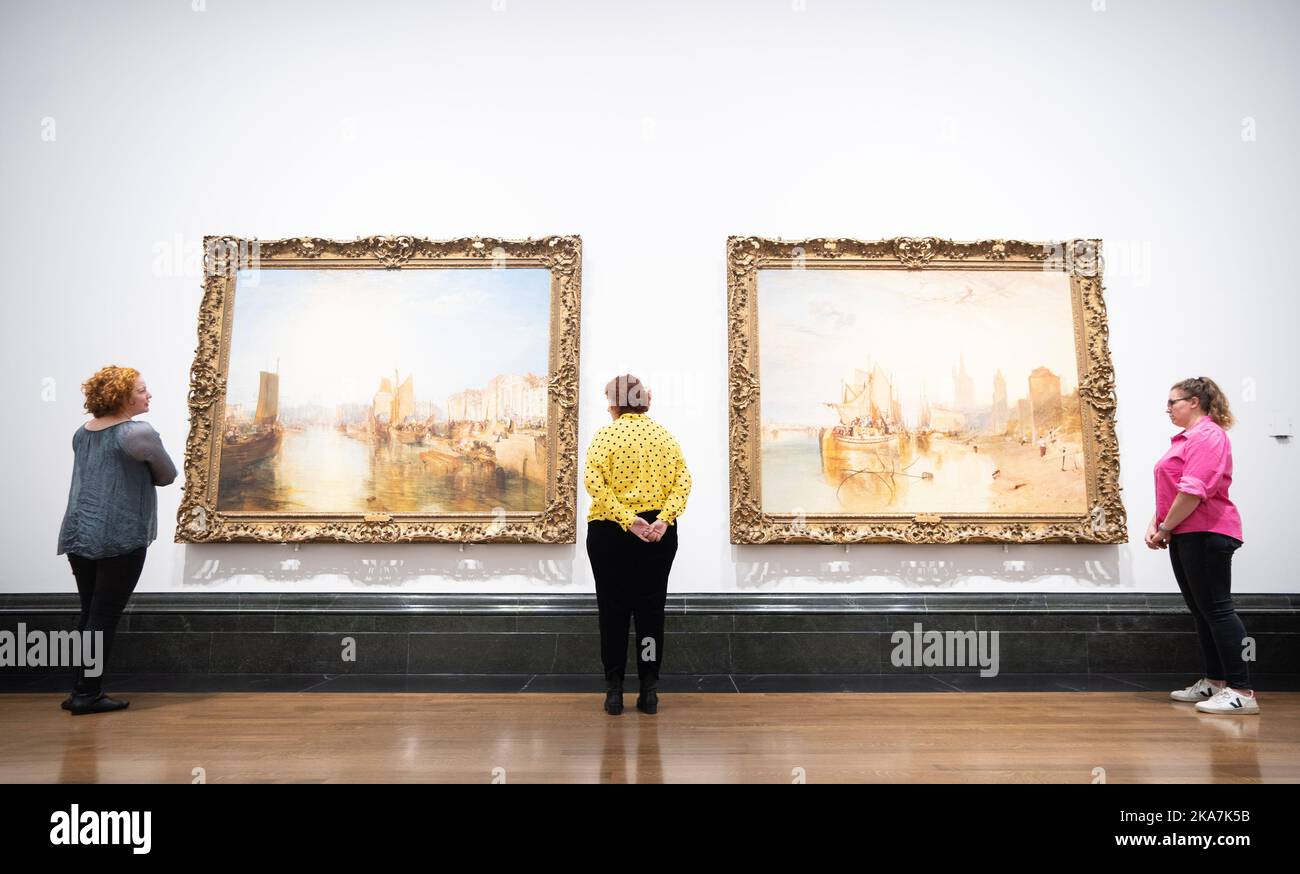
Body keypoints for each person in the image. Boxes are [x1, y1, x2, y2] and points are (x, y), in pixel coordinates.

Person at [56, 366, 177, 715]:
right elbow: (167, 475)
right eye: (141, 390)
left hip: (79, 534)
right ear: (123, 397)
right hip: (118, 536)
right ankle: (88, 693)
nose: (148, 394)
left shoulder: (83, 432)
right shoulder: (138, 433)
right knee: (103, 616)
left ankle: (81, 688)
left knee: (89, 613)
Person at [584, 374, 691, 716]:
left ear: (614, 403)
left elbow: (593, 482)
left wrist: (626, 519)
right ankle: (649, 689)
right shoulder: (665, 437)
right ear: (645, 399)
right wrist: (664, 518)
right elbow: (684, 482)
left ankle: (614, 690)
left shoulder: (605, 436)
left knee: (613, 612)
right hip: (657, 534)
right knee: (650, 612)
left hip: (610, 532)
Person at [1148, 377, 1255, 714]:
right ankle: (1216, 682)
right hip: (1186, 532)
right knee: (1203, 610)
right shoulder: (1186, 439)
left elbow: (1194, 491)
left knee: (1218, 609)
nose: (1167, 409)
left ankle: (1241, 692)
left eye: (1172, 402)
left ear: (1194, 401)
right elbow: (1177, 487)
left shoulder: (1208, 435)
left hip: (1208, 532)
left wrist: (1165, 526)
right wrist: (1158, 522)